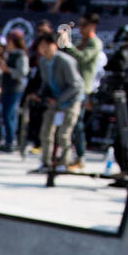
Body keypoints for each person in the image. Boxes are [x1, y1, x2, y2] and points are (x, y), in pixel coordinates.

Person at [34, 31, 83, 171]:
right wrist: (42, 95)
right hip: (54, 100)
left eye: (47, 45)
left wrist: (60, 100)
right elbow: (46, 83)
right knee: (46, 131)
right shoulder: (43, 61)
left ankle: (65, 162)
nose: (44, 48)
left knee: (64, 134)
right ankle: (46, 161)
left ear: (55, 45)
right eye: (41, 45)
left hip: (71, 100)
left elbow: (76, 85)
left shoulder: (65, 61)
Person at [60, 14, 102, 171]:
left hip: (82, 89)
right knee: (67, 124)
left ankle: (80, 157)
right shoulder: (81, 42)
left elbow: (82, 58)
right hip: (70, 87)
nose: (81, 27)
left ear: (93, 25)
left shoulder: (94, 43)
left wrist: (69, 45)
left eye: (84, 24)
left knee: (77, 124)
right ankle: (66, 156)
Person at [0, 29, 29, 151]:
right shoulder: (10, 54)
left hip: (15, 89)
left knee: (9, 115)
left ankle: (11, 142)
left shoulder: (21, 55)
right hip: (7, 88)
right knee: (5, 115)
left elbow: (23, 72)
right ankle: (6, 141)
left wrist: (8, 70)